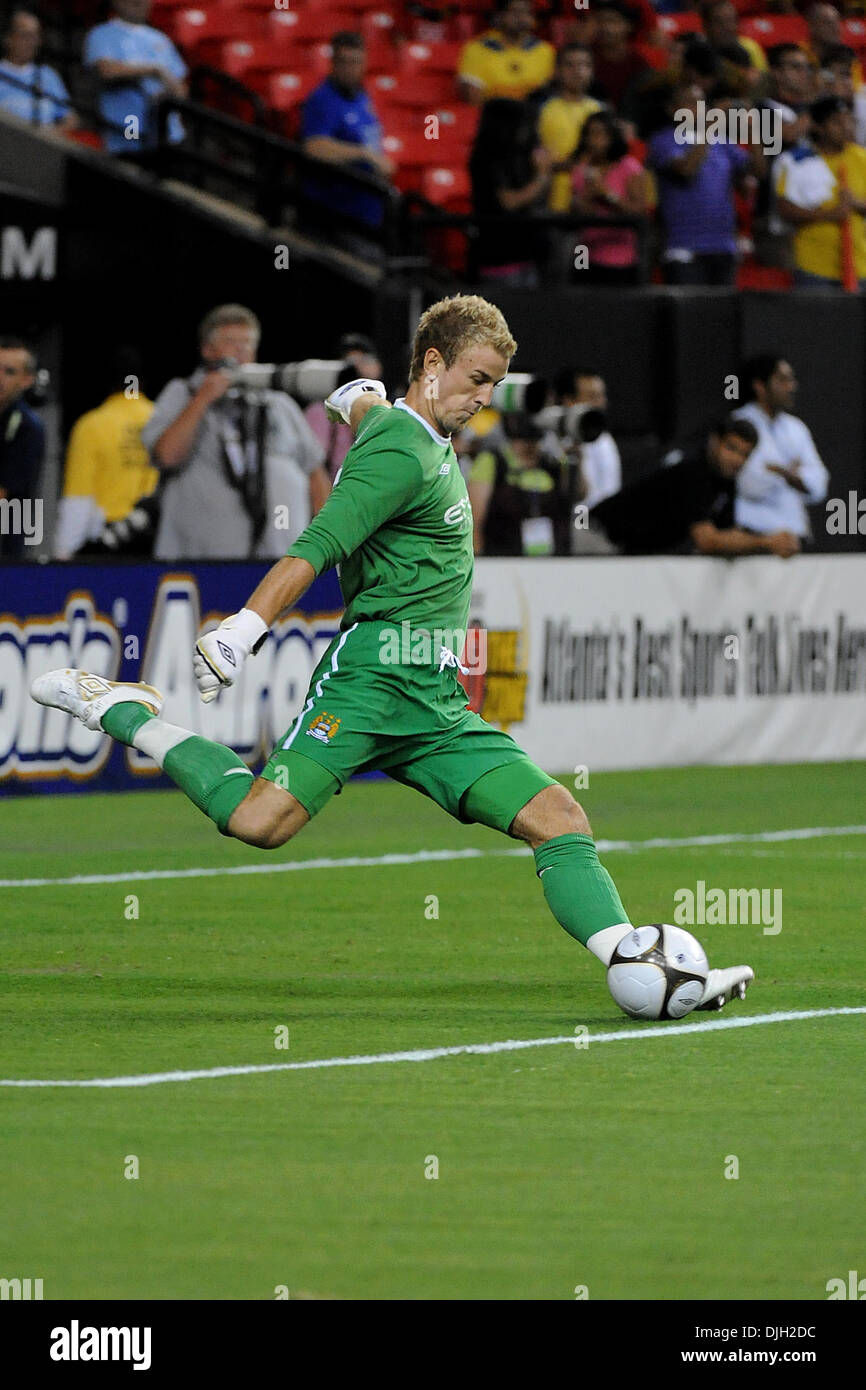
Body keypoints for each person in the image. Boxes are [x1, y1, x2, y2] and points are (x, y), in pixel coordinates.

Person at [33, 293, 753, 1014]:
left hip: (436, 700)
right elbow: (319, 542)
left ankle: (641, 965)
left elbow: (379, 415)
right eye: (476, 379)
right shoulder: (400, 449)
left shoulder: (407, 432)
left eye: (494, 385)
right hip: (371, 683)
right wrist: (243, 628)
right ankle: (126, 711)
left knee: (559, 817)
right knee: (258, 824)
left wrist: (358, 403)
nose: (484, 398)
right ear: (433, 364)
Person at [142, 304, 330, 560]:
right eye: (230, 341)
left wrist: (326, 546)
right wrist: (203, 399)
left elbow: (315, 475)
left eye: (248, 342)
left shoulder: (277, 403)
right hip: (202, 561)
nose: (241, 350)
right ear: (208, 349)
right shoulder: (183, 392)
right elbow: (167, 456)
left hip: (276, 562)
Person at [587, 416, 800, 556]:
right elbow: (707, 541)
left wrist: (773, 542)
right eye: (731, 449)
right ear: (714, 442)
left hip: (625, 548)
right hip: (595, 534)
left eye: (745, 454)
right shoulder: (693, 471)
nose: (737, 460)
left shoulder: (726, 481)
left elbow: (728, 535)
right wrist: (767, 542)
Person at [54, 351, 157, 560]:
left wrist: (64, 553)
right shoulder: (164, 420)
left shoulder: (92, 425)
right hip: (157, 540)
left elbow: (78, 498)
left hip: (108, 545)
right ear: (143, 381)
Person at [648, 82, 754, 285]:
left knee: (722, 316)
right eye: (690, 103)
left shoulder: (721, 141)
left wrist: (755, 130)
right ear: (672, 109)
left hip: (724, 246)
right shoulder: (663, 140)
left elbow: (758, 171)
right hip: (684, 247)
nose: (697, 108)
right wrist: (708, 127)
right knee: (688, 315)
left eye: (700, 102)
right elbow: (687, 170)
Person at [301, 32, 392, 233]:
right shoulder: (322, 100)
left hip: (369, 211)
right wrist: (363, 154)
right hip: (337, 215)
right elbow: (314, 147)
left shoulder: (363, 96)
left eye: (356, 61)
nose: (350, 68)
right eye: (344, 61)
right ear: (332, 62)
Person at [732, 356, 829, 542]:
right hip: (753, 537)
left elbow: (819, 484)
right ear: (760, 386)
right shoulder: (739, 423)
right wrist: (790, 475)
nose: (791, 387)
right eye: (783, 380)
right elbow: (747, 483)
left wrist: (780, 472)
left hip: (795, 537)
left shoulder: (796, 428)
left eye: (791, 380)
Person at [775, 95, 866, 289]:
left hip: (860, 266)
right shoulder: (796, 161)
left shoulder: (862, 158)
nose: (846, 127)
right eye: (836, 122)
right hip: (814, 267)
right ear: (818, 127)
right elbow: (785, 211)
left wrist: (857, 204)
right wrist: (829, 214)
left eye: (849, 120)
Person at [84, 0, 187, 155]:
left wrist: (168, 93)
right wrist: (154, 70)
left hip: (168, 135)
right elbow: (107, 70)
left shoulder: (161, 39)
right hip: (128, 130)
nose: (138, 2)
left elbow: (182, 89)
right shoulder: (101, 33)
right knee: (130, 169)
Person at [469, 98, 552, 287]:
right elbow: (509, 202)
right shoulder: (486, 158)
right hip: (500, 259)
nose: (526, 131)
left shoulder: (518, 158)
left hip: (526, 256)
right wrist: (541, 176)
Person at [570, 110, 652, 285]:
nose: (593, 141)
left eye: (598, 134)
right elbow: (580, 214)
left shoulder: (629, 167)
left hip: (620, 258)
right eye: (589, 134)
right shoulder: (581, 169)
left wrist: (607, 194)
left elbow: (639, 210)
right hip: (584, 255)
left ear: (612, 136)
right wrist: (585, 197)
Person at [468, 412, 565, 555]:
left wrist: (578, 458)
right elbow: (474, 521)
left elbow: (581, 498)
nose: (528, 445)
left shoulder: (552, 464)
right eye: (523, 440)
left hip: (550, 557)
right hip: (501, 557)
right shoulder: (492, 461)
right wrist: (477, 558)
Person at [304, 335, 382, 482]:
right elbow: (312, 471)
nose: (357, 370)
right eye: (350, 364)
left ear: (378, 367)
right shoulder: (320, 413)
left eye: (364, 361)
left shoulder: (390, 412)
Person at [537, 45, 602, 213]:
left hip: (594, 204)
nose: (577, 71)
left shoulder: (601, 111)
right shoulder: (541, 110)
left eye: (584, 65)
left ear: (591, 70)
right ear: (557, 71)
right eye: (570, 65)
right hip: (554, 202)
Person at [457, 0, 556, 105]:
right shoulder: (476, 49)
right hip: (494, 116)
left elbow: (553, 96)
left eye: (526, 12)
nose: (521, 17)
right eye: (514, 11)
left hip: (534, 116)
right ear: (499, 17)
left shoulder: (546, 51)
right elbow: (473, 98)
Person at [0, 336, 43, 560]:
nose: (0, 379)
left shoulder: (28, 427)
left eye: (9, 372)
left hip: (8, 551)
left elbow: (4, 494)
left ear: (26, 380)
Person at [0, 8, 75, 130]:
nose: (32, 43)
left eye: (35, 36)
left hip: (42, 145)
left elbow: (70, 118)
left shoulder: (48, 75)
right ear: (8, 38)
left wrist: (50, 136)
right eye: (25, 35)